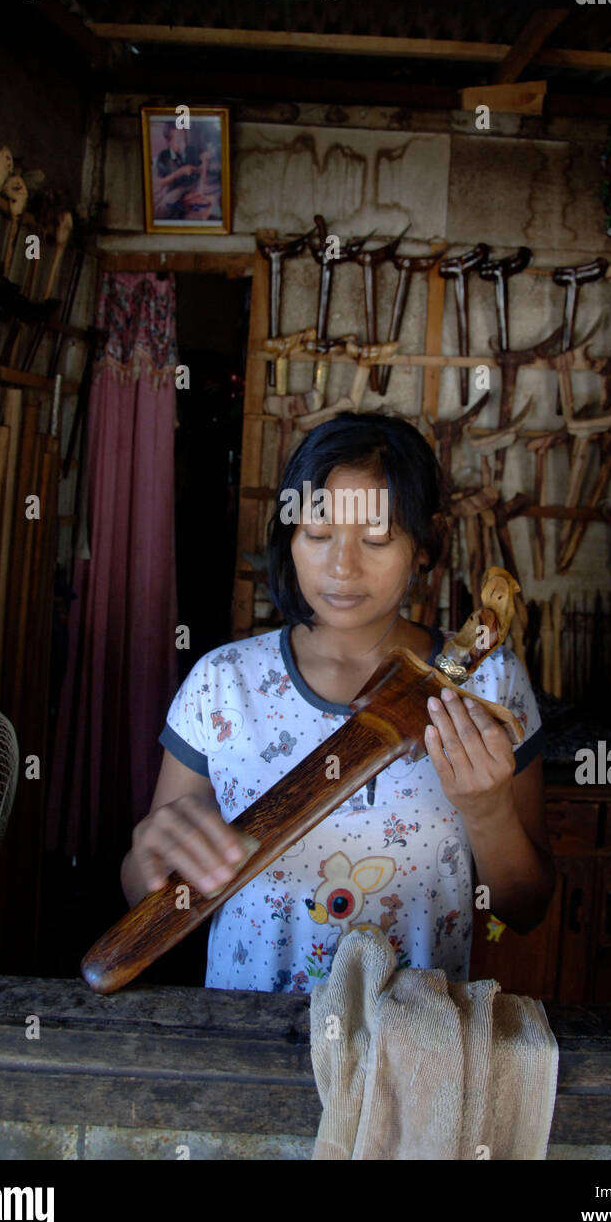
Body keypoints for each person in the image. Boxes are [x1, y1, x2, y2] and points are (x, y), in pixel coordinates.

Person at [121, 413, 555, 993]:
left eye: (376, 539)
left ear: (425, 546)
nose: (342, 567)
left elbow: (525, 907)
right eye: (318, 535)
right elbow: (147, 900)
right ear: (289, 537)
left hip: (409, 1045)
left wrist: (487, 811)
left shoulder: (486, 683)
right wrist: (147, 852)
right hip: (248, 1036)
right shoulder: (222, 684)